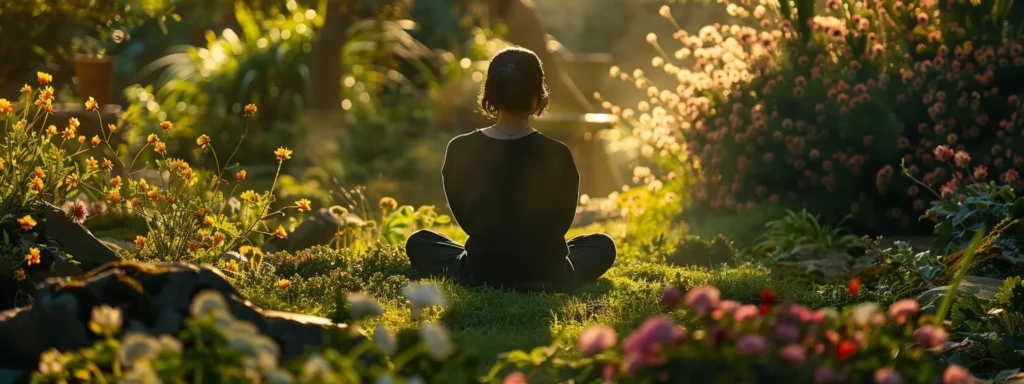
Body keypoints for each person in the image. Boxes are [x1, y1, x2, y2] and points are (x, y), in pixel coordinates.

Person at [405, 46, 616, 292]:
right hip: (548, 271)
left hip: (482, 269)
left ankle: (481, 271)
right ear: (536, 97)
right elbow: (561, 224)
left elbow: (467, 221)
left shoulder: (459, 149)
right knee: (602, 245)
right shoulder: (559, 153)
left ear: (490, 94)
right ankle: (546, 277)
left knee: (420, 241)